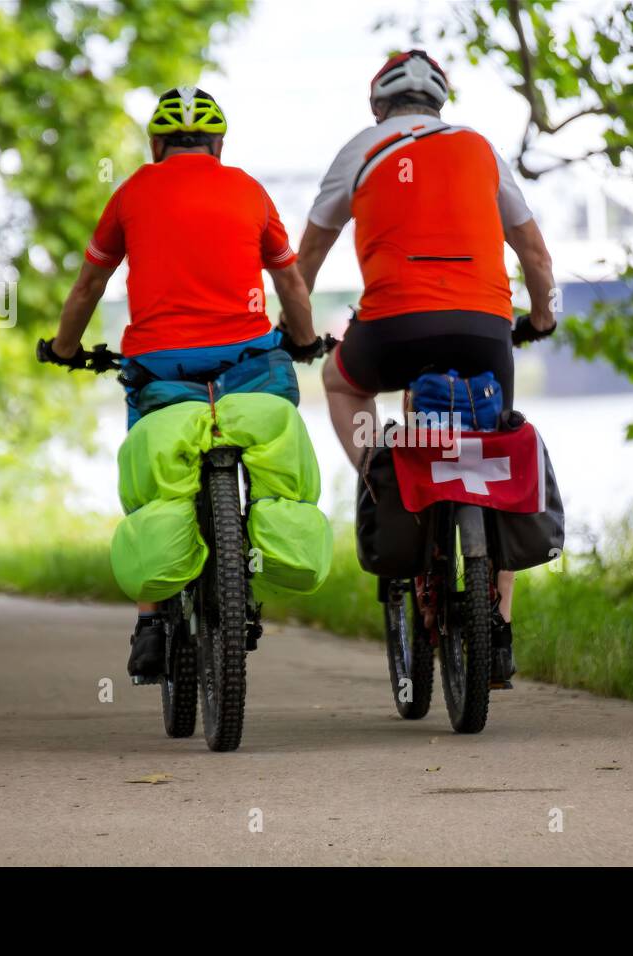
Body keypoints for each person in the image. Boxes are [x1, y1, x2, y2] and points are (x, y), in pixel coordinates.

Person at [296, 51, 556, 685]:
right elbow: (535, 255)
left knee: (338, 381)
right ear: (441, 104)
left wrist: (296, 334)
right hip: (485, 330)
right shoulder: (480, 149)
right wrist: (541, 319)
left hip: (393, 329)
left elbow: (304, 263)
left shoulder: (360, 148)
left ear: (376, 106)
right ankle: (497, 629)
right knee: (493, 445)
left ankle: (381, 476)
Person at [43, 86, 319, 677]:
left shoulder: (131, 193)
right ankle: (255, 546)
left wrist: (65, 349)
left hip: (162, 368)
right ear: (219, 144)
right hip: (248, 366)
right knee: (270, 446)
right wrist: (302, 340)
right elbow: (292, 286)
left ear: (156, 143)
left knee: (156, 482)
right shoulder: (248, 189)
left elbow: (89, 287)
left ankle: (149, 622)